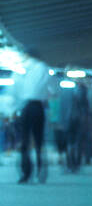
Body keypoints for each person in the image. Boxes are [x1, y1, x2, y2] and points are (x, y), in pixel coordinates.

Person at [13, 53, 55, 184]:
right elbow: (55, 90)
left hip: (25, 107)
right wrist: (47, 95)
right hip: (38, 107)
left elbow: (17, 90)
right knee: (39, 141)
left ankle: (25, 174)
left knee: (24, 141)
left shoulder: (21, 69)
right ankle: (40, 173)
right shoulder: (45, 68)